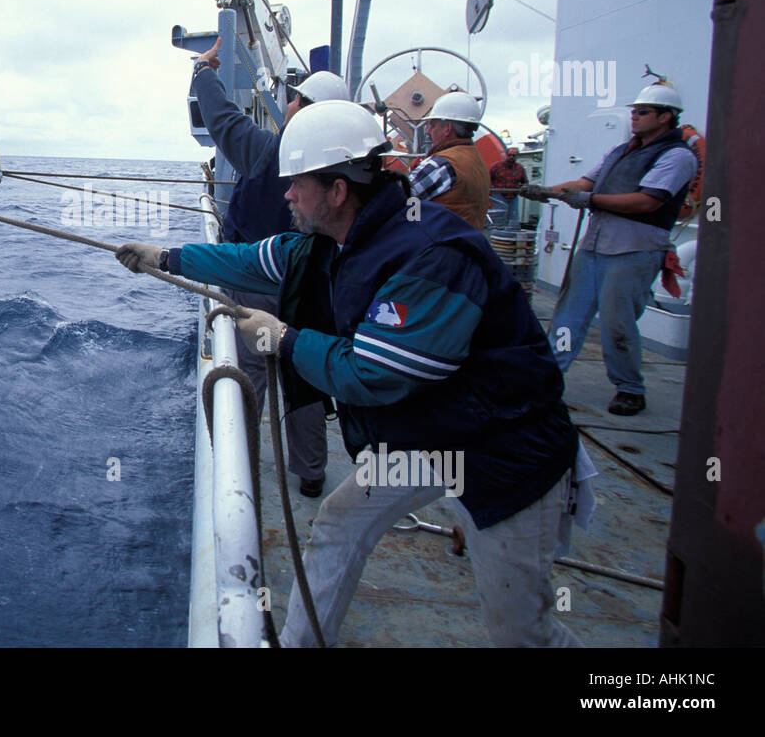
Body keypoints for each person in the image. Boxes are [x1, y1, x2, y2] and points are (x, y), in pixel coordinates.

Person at [116, 100, 584, 647]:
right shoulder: (337, 240)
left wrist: (283, 338)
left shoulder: (432, 255)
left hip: (502, 455)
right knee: (339, 523)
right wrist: (167, 258)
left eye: (297, 185)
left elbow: (373, 375)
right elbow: (252, 260)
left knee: (522, 633)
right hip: (432, 434)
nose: (286, 195)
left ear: (338, 190)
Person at [188, 37, 348, 497]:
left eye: (295, 97)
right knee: (303, 375)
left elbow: (221, 119)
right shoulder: (346, 166)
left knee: (252, 371)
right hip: (313, 290)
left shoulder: (268, 151)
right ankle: (311, 473)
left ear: (303, 108)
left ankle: (238, 463)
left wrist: (203, 70)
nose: (289, 102)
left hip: (259, 282)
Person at [528, 81, 698, 417]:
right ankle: (547, 377)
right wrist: (545, 191)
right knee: (568, 317)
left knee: (617, 323)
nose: (634, 116)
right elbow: (584, 184)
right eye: (634, 111)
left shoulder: (677, 156)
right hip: (595, 247)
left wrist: (589, 200)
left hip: (633, 251)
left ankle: (630, 388)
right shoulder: (620, 152)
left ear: (666, 117)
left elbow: (647, 202)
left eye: (642, 111)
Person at [408, 91, 490, 229]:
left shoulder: (441, 164)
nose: (428, 131)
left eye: (432, 125)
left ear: (447, 128)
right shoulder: (476, 161)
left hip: (438, 246)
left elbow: (396, 202)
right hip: (467, 245)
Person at [489, 146, 528, 229]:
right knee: (499, 218)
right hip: (498, 196)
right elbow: (487, 178)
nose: (511, 157)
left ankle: (510, 237)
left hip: (513, 197)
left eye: (514, 155)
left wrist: (523, 188)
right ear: (506, 155)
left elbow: (525, 181)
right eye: (509, 155)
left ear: (517, 156)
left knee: (513, 219)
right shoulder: (496, 166)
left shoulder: (520, 168)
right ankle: (496, 236)